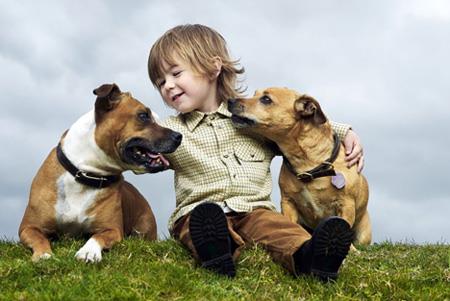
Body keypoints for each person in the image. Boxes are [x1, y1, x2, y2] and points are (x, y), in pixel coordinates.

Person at [147, 24, 364, 281]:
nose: (167, 86)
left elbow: (297, 129)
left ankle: (311, 257)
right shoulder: (168, 130)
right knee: (199, 225)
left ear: (213, 68)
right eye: (160, 82)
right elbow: (138, 143)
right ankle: (217, 254)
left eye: (175, 73)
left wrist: (344, 131)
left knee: (280, 229)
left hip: (254, 210)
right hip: (200, 210)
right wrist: (147, 157)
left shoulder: (255, 123)